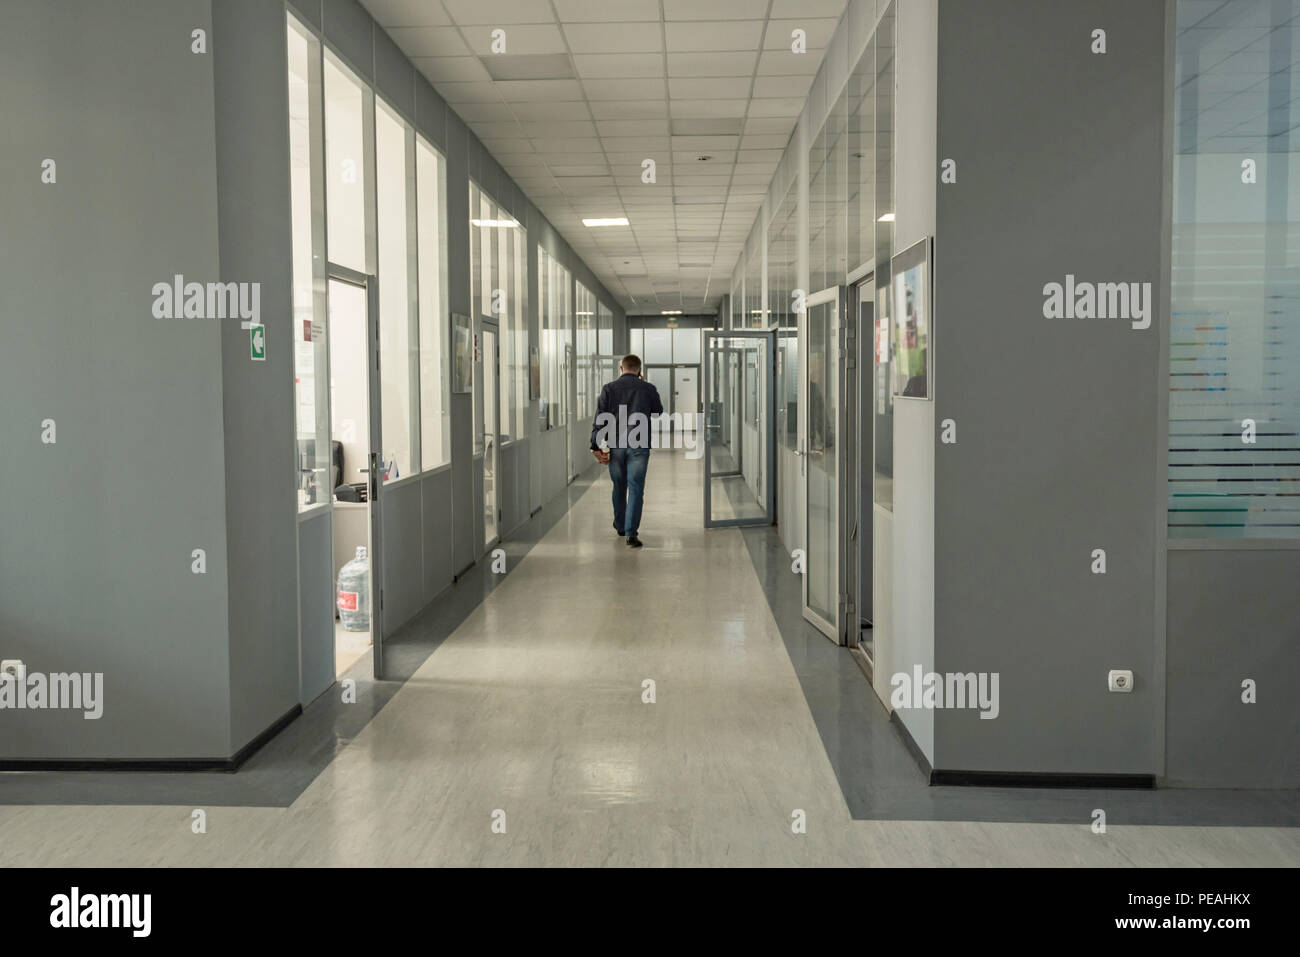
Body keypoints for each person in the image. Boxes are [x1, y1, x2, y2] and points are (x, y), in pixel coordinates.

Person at [591, 354, 663, 548]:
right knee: (636, 487)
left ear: (621, 369)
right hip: (639, 444)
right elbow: (658, 412)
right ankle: (631, 534)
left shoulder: (609, 389)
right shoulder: (648, 388)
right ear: (639, 370)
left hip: (615, 445)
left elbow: (600, 418)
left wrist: (595, 444)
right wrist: (645, 392)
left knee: (619, 486)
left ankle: (620, 526)